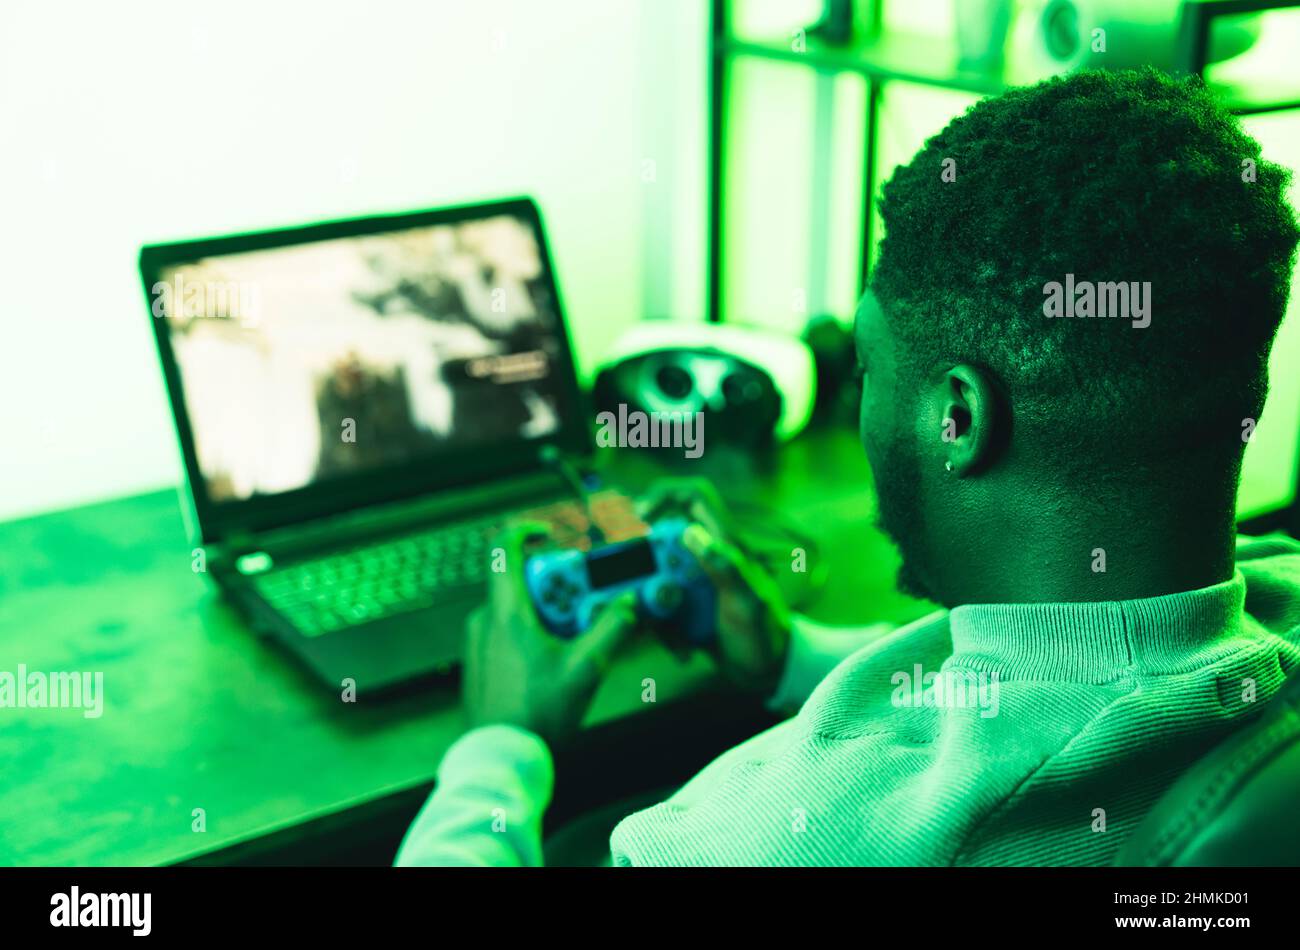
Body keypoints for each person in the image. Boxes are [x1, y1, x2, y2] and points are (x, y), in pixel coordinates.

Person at [395, 68, 1300, 866]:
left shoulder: (781, 836)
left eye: (866, 367)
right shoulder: (1278, 605)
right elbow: (1068, 680)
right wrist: (793, 658)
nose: (857, 402)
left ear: (958, 417)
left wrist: (501, 745)